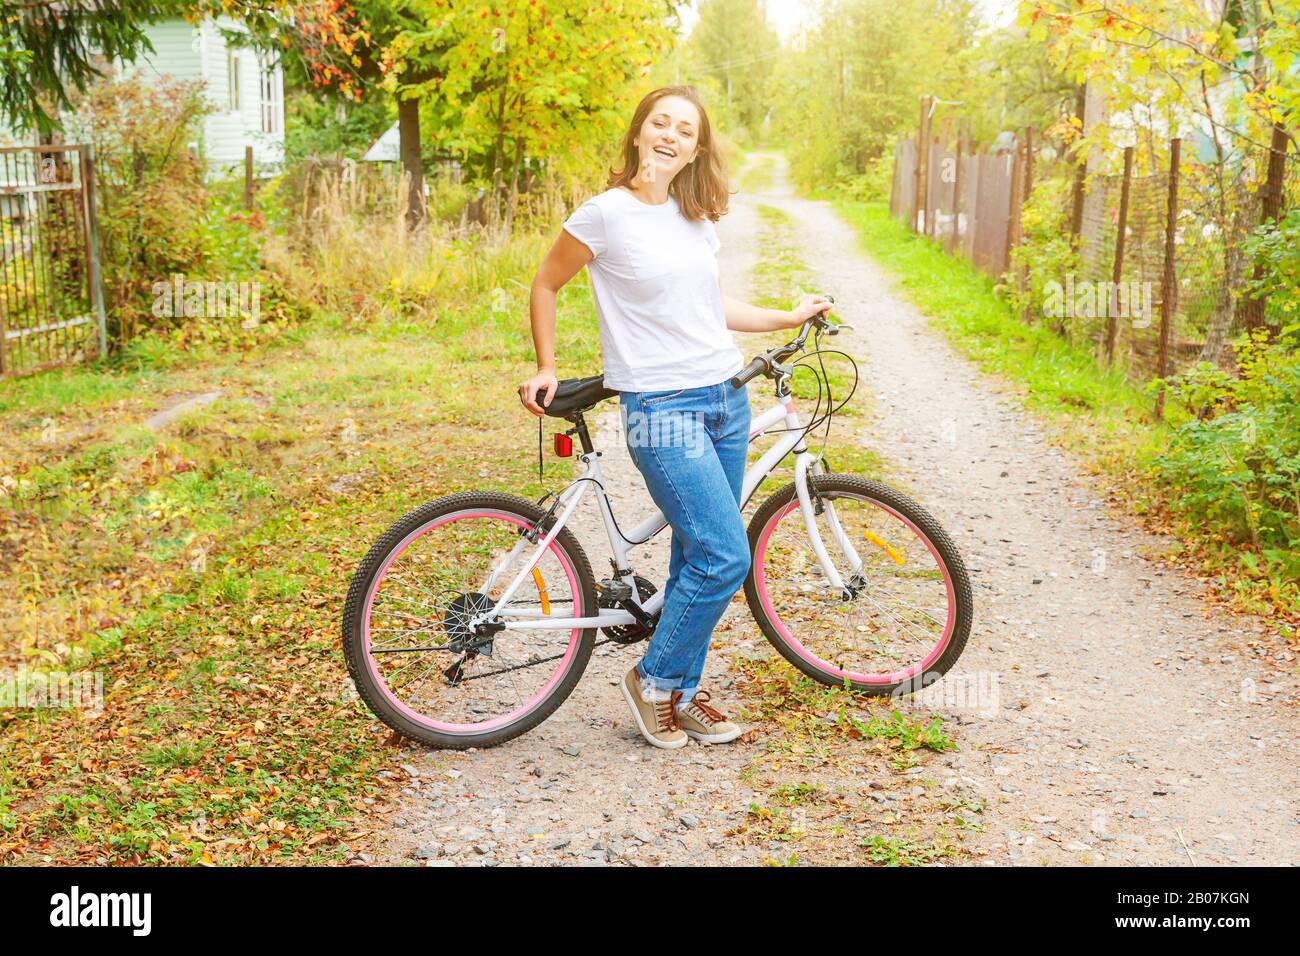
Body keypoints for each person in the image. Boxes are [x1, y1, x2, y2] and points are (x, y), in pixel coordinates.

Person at [519, 85, 831, 749]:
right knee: (725, 557)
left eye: (684, 130)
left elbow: (712, 307)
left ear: (696, 149)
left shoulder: (695, 218)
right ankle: (653, 679)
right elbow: (545, 283)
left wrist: (785, 316)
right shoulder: (604, 215)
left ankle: (681, 694)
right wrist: (546, 365)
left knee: (697, 551)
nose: (670, 135)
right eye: (660, 123)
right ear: (638, 133)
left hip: (724, 395)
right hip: (661, 409)